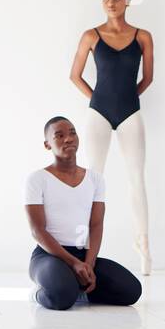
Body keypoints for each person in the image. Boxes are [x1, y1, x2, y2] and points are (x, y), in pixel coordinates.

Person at [68, 0, 154, 274]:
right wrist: (100, 99)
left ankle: (144, 247)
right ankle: (82, 243)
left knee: (136, 179)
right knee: (93, 179)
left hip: (130, 112)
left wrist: (126, 99)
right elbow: (75, 76)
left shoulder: (143, 37)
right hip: (99, 113)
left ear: (128, 1)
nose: (110, 2)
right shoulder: (91, 36)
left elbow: (148, 78)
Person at [25, 116, 142, 310]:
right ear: (47, 145)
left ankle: (78, 291)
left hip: (83, 255)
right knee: (62, 298)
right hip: (49, 256)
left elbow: (96, 225)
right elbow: (38, 231)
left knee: (131, 291)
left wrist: (88, 263)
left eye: (72, 133)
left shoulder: (95, 179)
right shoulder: (37, 179)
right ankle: (39, 293)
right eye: (59, 136)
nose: (68, 139)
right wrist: (73, 263)